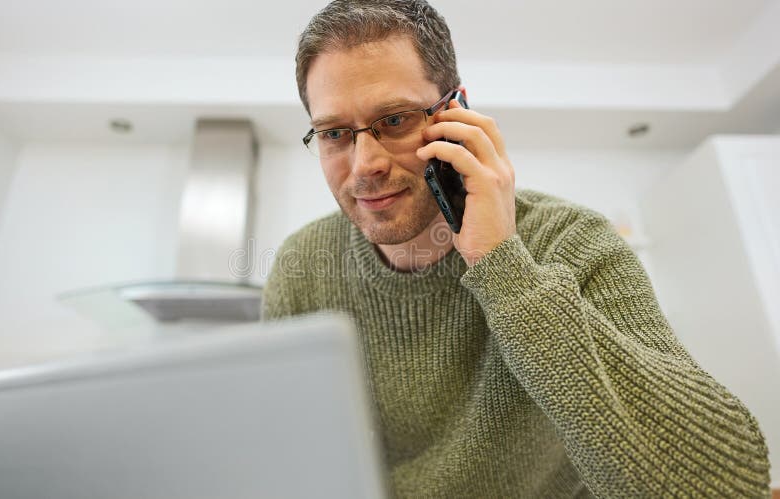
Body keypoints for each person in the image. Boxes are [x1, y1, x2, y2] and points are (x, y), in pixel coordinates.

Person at [261, 1, 771, 496]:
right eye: (334, 133)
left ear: (455, 112)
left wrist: (501, 264)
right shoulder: (301, 265)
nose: (364, 164)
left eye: (394, 120)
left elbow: (725, 486)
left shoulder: (574, 241)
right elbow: (288, 448)